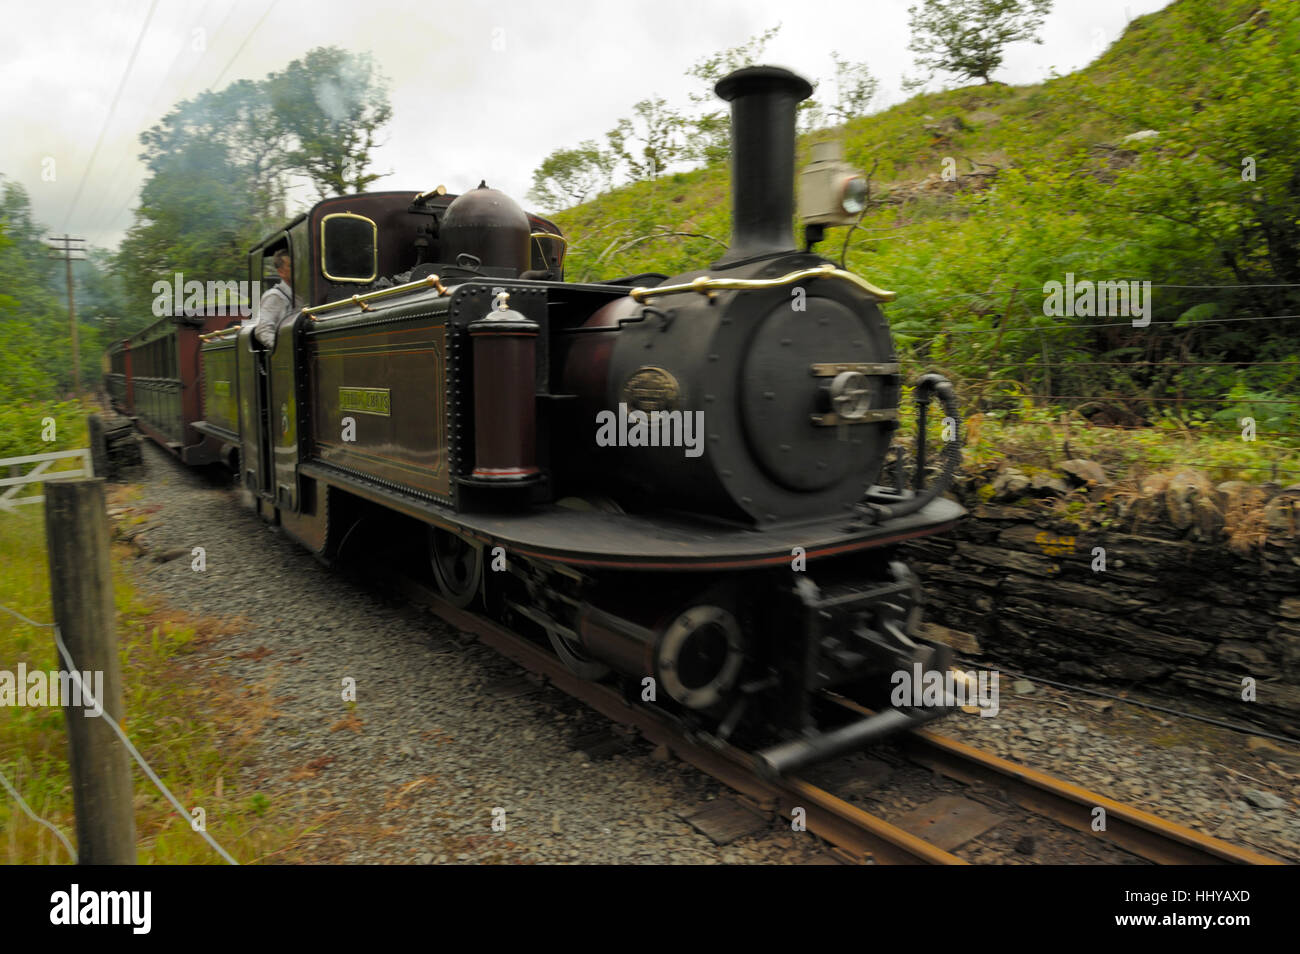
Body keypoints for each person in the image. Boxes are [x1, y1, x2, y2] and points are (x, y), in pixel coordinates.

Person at [254, 250, 299, 349]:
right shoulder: (275, 296)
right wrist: (284, 349)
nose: (297, 268)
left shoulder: (303, 293)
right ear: (281, 272)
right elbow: (263, 330)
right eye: (291, 266)